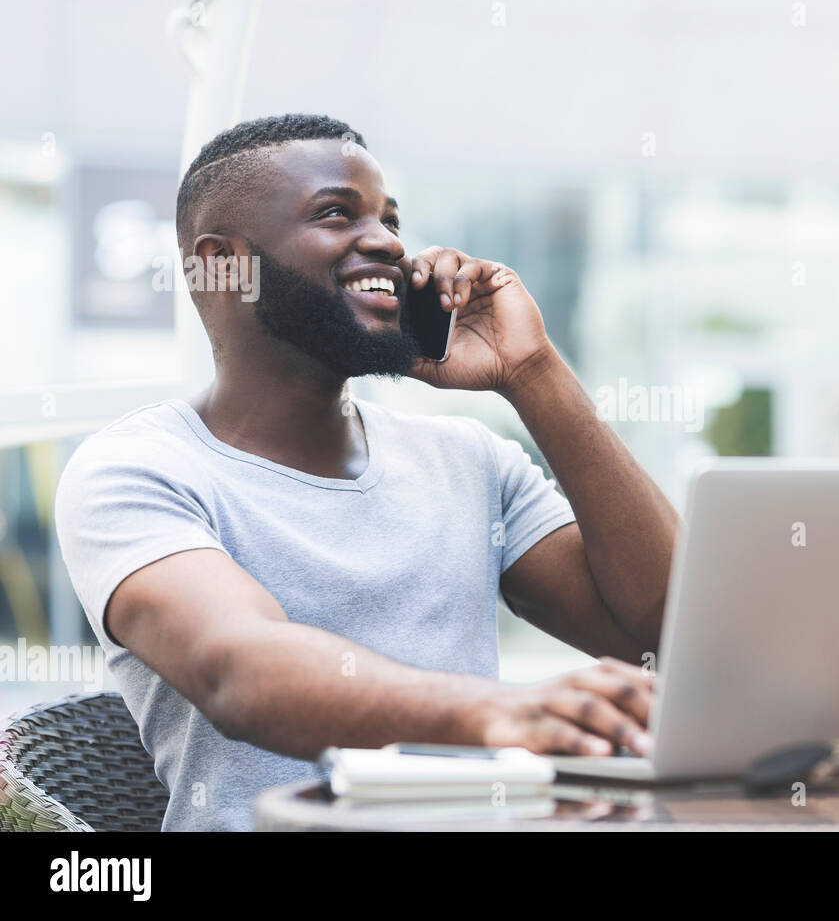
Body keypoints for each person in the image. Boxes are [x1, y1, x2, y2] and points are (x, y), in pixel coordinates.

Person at [53, 114, 678, 830]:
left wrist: (533, 373)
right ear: (223, 262)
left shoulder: (469, 459)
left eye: (390, 218)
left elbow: (664, 636)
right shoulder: (137, 469)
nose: (386, 241)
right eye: (335, 214)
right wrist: (506, 711)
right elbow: (241, 671)